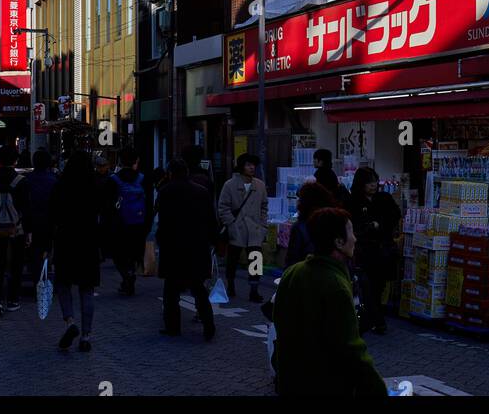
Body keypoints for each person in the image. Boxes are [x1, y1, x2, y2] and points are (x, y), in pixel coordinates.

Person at [273, 206, 387, 398]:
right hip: (325, 385)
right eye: (351, 232)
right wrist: (376, 388)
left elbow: (280, 325)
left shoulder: (293, 273)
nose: (355, 238)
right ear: (339, 242)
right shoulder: (336, 285)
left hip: (290, 380)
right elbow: (351, 348)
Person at [155, 157, 216, 340]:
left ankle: (173, 326)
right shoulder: (202, 192)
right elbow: (211, 220)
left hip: (173, 248)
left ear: (170, 173)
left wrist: (161, 241)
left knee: (171, 291)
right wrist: (211, 241)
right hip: (197, 247)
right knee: (199, 289)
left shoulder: (165, 192)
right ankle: (208, 325)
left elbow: (163, 222)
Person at [50, 150, 101, 352]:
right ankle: (86, 335)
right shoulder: (94, 186)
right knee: (87, 289)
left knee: (63, 284)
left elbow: (52, 215)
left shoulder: (60, 186)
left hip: (65, 240)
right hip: (88, 241)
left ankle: (70, 322)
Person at [347, 166, 401, 334]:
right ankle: (377, 320)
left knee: (378, 286)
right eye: (369, 182)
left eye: (375, 181)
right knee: (366, 285)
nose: (373, 185)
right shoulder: (352, 201)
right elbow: (350, 223)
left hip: (382, 250)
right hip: (363, 250)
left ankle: (372, 317)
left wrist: (380, 224)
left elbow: (395, 215)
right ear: (360, 183)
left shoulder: (384, 198)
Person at [0, 144, 31, 316]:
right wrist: (28, 232)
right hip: (16, 229)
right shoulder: (21, 181)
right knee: (17, 264)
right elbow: (26, 209)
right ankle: (13, 299)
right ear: (16, 160)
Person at [218, 153, 268, 302]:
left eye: (253, 165)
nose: (251, 168)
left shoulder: (259, 185)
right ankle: (231, 284)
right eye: (248, 165)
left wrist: (263, 225)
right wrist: (231, 223)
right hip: (237, 228)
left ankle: (254, 289)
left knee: (255, 260)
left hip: (254, 229)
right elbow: (223, 207)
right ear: (241, 167)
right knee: (232, 259)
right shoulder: (230, 185)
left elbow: (264, 206)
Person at [108, 147, 149, 296]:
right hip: (138, 223)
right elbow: (149, 204)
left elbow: (107, 205)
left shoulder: (113, 180)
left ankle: (126, 275)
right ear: (135, 161)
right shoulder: (142, 179)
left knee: (119, 253)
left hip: (120, 224)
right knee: (134, 252)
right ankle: (131, 272)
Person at [24, 148, 58, 287]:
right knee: (47, 248)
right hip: (49, 221)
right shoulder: (54, 181)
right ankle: (45, 271)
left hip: (31, 221)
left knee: (33, 250)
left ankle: (37, 276)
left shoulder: (27, 180)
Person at [285, 181, 336, 268]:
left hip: (304, 275)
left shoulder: (300, 227)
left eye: (300, 199)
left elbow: (292, 260)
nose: (297, 202)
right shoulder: (332, 223)